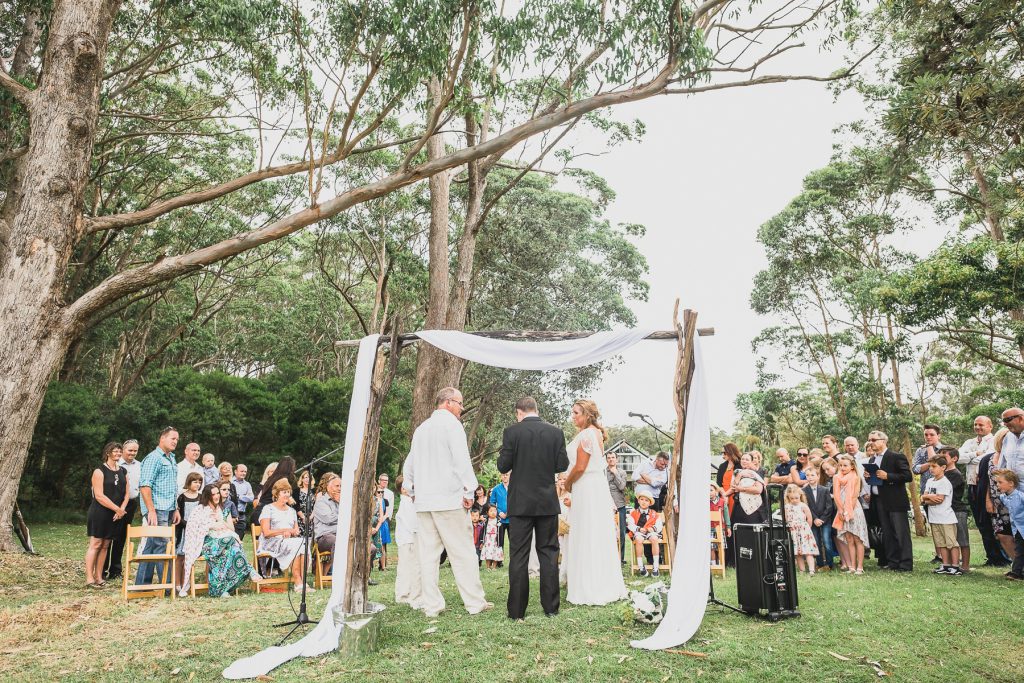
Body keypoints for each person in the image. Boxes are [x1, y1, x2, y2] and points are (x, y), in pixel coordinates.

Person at [402, 387, 491, 618]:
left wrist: (411, 488)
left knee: (428, 556)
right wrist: (470, 490)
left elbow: (409, 463)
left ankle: (432, 606)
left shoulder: (421, 429)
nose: (461, 409)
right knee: (462, 552)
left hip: (424, 502)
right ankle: (474, 602)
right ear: (449, 402)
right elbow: (461, 460)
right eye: (460, 404)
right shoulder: (452, 425)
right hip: (448, 499)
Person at [495, 396, 569, 619]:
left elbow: (502, 465)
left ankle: (517, 611)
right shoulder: (556, 433)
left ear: (519, 412)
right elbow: (562, 465)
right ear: (536, 410)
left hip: (520, 503)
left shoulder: (512, 432)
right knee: (548, 552)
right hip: (547, 501)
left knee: (519, 555)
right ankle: (551, 608)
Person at [562, 399, 627, 606]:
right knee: (595, 532)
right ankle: (601, 582)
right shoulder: (596, 433)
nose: (573, 416)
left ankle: (589, 587)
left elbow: (581, 466)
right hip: (594, 485)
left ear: (587, 414)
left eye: (576, 413)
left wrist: (568, 484)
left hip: (585, 485)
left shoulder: (587, 434)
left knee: (586, 531)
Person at [180, 483, 261, 598]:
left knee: (232, 549)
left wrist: (220, 521)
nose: (217, 496)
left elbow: (229, 528)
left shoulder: (222, 509)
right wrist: (210, 526)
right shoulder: (199, 510)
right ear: (208, 496)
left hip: (223, 543)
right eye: (213, 494)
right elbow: (192, 529)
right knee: (232, 541)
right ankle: (249, 569)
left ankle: (220, 590)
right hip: (205, 544)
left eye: (217, 493)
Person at [136, 427, 182, 586]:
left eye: (177, 439)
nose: (175, 442)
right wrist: (151, 510)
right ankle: (168, 586)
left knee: (151, 546)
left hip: (168, 509)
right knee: (162, 546)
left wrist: (176, 508)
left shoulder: (171, 458)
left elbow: (172, 486)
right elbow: (144, 486)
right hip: (157, 510)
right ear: (162, 438)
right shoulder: (153, 458)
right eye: (172, 438)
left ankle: (142, 585)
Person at [85, 443, 128, 588]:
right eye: (114, 451)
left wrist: (121, 510)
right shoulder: (99, 470)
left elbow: (127, 493)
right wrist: (117, 509)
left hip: (116, 514)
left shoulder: (123, 470)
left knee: (105, 545)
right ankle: (89, 578)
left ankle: (99, 576)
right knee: (96, 544)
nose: (117, 453)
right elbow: (99, 495)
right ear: (108, 453)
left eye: (119, 451)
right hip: (100, 512)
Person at [869, 431, 914, 572]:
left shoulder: (896, 456)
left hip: (895, 500)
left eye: (874, 439)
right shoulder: (872, 460)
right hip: (879, 500)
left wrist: (887, 476)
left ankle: (906, 564)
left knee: (901, 533)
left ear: (883, 441)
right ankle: (893, 562)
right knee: (887, 533)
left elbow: (907, 476)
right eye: (869, 440)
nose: (871, 442)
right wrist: (868, 476)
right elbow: (875, 480)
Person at [960, 416, 1002, 566]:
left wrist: (972, 458)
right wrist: (974, 455)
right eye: (975, 424)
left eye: (981, 424)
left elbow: (987, 459)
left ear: (990, 426)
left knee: (991, 521)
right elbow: (958, 458)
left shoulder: (994, 440)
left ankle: (1001, 557)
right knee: (980, 522)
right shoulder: (969, 442)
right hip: (972, 485)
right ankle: (991, 556)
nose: (978, 427)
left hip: (988, 485)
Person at [258, 478, 311, 592]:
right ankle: (298, 582)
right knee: (296, 545)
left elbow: (296, 530)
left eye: (288, 492)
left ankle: (303, 582)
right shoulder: (268, 509)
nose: (287, 494)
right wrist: (284, 531)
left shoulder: (292, 511)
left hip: (288, 541)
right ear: (276, 494)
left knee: (302, 543)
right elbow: (266, 533)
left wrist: (291, 532)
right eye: (284, 492)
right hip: (271, 542)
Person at [104, 438, 140, 581]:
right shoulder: (114, 463)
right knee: (108, 537)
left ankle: (116, 570)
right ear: (123, 450)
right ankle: (102, 569)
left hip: (130, 504)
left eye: (135, 450)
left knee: (121, 537)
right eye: (130, 450)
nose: (132, 453)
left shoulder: (140, 465)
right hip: (112, 504)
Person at [922, 456, 961, 576]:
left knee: (951, 543)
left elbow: (939, 500)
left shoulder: (944, 482)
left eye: (934, 466)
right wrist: (928, 498)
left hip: (946, 518)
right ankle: (945, 565)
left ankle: (955, 566)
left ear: (943, 467)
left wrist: (927, 498)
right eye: (930, 466)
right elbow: (923, 498)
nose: (931, 469)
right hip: (934, 518)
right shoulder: (929, 481)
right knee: (941, 543)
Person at [831, 454, 868, 574]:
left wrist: (848, 511)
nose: (842, 468)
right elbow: (836, 495)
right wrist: (841, 510)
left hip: (854, 510)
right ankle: (852, 566)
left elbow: (854, 496)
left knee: (857, 538)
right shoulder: (836, 477)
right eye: (840, 465)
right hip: (841, 509)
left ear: (852, 466)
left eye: (845, 465)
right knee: (849, 539)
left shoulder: (855, 477)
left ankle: (860, 567)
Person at [938, 447, 970, 571]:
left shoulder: (955, 475)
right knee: (948, 539)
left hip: (957, 510)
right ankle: (950, 564)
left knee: (962, 539)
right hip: (946, 510)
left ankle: (965, 566)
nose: (941, 460)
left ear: (954, 458)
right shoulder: (942, 474)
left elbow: (944, 491)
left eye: (944, 457)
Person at [393, 474, 423, 607]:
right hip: (408, 539)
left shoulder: (409, 501)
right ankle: (403, 594)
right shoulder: (406, 503)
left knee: (411, 567)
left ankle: (409, 592)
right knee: (406, 567)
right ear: (403, 489)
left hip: (409, 538)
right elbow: (412, 523)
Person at [725, 452, 768, 535]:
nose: (744, 461)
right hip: (739, 506)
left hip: (754, 508)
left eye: (747, 459)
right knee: (738, 533)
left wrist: (741, 489)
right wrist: (740, 475)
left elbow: (758, 490)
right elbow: (733, 487)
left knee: (751, 533)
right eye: (743, 459)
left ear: (751, 462)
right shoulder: (737, 472)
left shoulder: (755, 473)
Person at [992, 469, 1024, 580]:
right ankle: (1018, 571)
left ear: (1011, 483)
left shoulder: (1020, 496)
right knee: (1019, 550)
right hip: (1017, 529)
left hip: (1022, 527)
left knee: (1019, 551)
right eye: (997, 482)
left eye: (1000, 482)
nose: (997, 485)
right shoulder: (1003, 497)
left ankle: (1016, 572)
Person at [175, 473, 204, 589]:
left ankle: (186, 583)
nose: (197, 484)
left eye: (199, 482)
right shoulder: (181, 497)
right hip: (183, 530)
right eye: (195, 482)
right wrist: (186, 524)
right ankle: (177, 583)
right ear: (189, 482)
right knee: (180, 557)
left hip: (195, 532)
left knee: (189, 558)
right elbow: (178, 515)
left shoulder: (201, 497)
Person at [803, 467, 835, 571]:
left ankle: (829, 564)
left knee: (826, 541)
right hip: (812, 520)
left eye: (812, 475)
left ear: (818, 476)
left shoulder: (824, 489)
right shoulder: (803, 491)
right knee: (816, 541)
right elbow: (806, 507)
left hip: (825, 520)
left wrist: (822, 519)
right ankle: (820, 563)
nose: (810, 477)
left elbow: (829, 506)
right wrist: (815, 519)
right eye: (807, 475)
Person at [784, 484, 819, 575]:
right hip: (793, 530)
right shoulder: (787, 507)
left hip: (804, 530)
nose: (794, 500)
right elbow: (786, 518)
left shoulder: (803, 506)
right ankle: (802, 570)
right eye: (792, 498)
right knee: (797, 552)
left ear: (800, 495)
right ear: (788, 497)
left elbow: (809, 518)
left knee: (808, 551)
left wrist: (808, 529)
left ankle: (811, 570)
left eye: (796, 498)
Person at [627, 493, 663, 577]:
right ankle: (641, 566)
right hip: (639, 531)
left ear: (650, 503)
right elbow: (630, 524)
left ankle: (656, 566)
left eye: (646, 500)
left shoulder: (654, 513)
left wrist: (653, 528)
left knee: (654, 538)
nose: (644, 502)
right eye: (642, 499)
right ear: (638, 501)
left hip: (651, 531)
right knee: (639, 539)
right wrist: (638, 529)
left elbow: (659, 525)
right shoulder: (633, 513)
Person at [312, 472, 340, 573]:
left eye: (341, 486)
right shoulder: (321, 501)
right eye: (337, 486)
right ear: (328, 486)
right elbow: (329, 519)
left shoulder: (342, 501)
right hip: (324, 537)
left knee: (369, 547)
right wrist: (344, 514)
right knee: (338, 542)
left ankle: (360, 575)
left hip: (339, 534)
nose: (340, 488)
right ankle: (337, 574)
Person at [606, 452, 628, 565]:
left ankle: (621, 558)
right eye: (608, 458)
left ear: (617, 459)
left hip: (619, 506)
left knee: (621, 533)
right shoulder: (602, 473)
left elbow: (622, 487)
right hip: (605, 506)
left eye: (613, 458)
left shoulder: (622, 472)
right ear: (606, 460)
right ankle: (608, 557)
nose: (611, 460)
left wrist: (615, 473)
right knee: (606, 532)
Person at [999, 407, 1024, 488]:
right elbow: (1002, 464)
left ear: (1020, 418)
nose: (1005, 424)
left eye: (1007, 420)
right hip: (1012, 491)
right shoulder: (1008, 437)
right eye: (1003, 421)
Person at [489, 471, 510, 564]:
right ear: (500, 476)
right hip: (500, 519)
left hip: (512, 519)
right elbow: (492, 503)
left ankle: (513, 560)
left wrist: (508, 512)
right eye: (503, 475)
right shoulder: (496, 489)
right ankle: (499, 561)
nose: (505, 476)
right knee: (499, 541)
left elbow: (517, 501)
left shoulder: (514, 487)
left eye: (507, 475)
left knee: (513, 541)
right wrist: (499, 512)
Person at [232, 464, 254, 539]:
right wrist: (244, 496)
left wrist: (238, 496)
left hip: (241, 515)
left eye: (245, 471)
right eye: (241, 471)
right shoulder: (230, 482)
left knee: (239, 537)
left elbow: (251, 498)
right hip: (230, 514)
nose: (244, 473)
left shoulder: (247, 484)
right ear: (235, 471)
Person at [376, 473, 393, 570]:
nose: (385, 482)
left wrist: (384, 519)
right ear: (379, 480)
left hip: (385, 519)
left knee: (383, 543)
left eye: (386, 481)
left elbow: (389, 510)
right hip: (376, 518)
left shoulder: (390, 493)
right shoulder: (375, 490)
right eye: (383, 480)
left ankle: (383, 565)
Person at [296, 470, 315, 539]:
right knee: (300, 539)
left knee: (310, 539)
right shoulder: (297, 491)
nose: (307, 479)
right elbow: (296, 505)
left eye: (309, 477)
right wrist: (303, 517)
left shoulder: (314, 491)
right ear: (302, 479)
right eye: (305, 477)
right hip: (300, 518)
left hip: (312, 518)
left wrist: (310, 518)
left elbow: (316, 506)